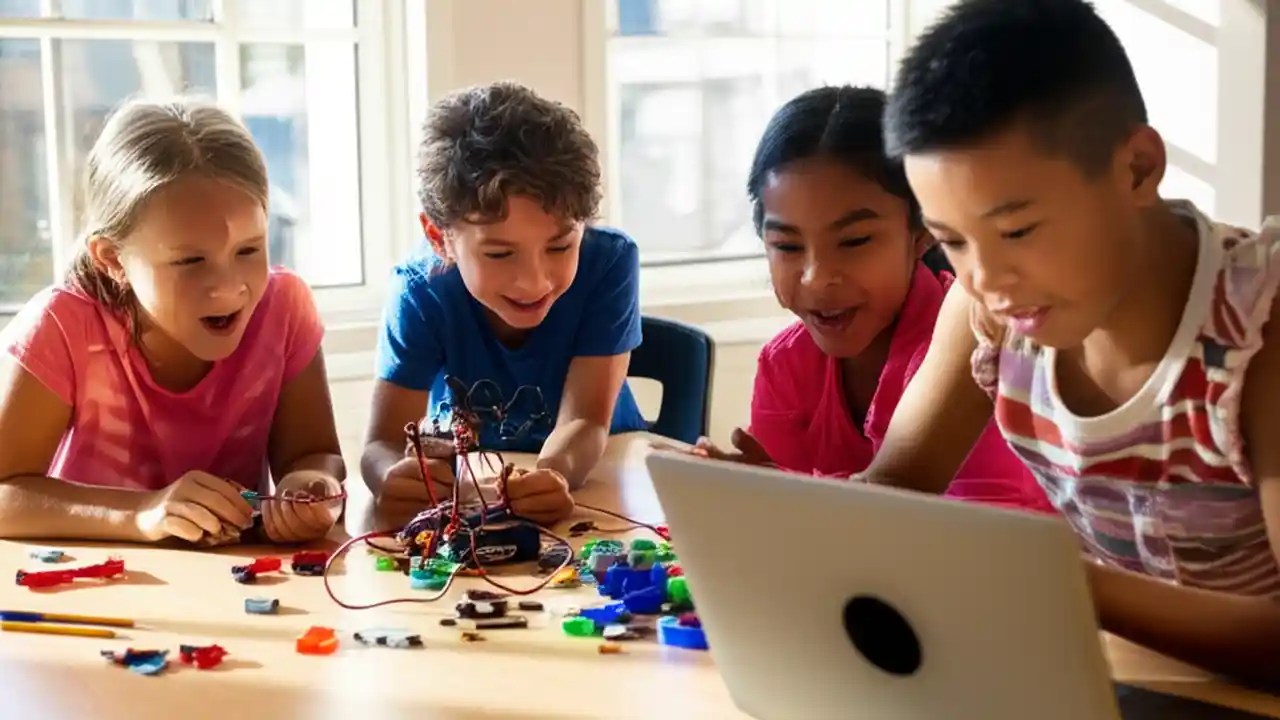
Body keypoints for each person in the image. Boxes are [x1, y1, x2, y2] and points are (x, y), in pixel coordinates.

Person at [862, 0, 1280, 685]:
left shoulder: (1258, 330)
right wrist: (777, 510)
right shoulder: (989, 313)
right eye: (952, 241)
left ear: (1138, 169)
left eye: (1019, 231)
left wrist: (1056, 580)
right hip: (1117, 687)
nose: (987, 278)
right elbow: (891, 494)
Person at [0, 97, 344, 545]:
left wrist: (314, 485)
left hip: (232, 592)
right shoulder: (63, 327)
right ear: (112, 259)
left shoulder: (284, 309)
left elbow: (315, 454)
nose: (227, 286)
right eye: (189, 261)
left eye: (249, 250)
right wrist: (143, 514)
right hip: (94, 592)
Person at [691, 86, 1050, 511]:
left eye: (855, 241)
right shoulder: (785, 363)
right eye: (787, 246)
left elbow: (973, 529)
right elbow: (780, 518)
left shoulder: (979, 345)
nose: (817, 278)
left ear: (922, 232)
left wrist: (794, 502)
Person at [362, 82, 646, 526]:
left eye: (560, 247)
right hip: (471, 506)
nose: (534, 281)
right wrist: (391, 476)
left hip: (600, 486)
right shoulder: (420, 291)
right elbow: (381, 444)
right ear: (441, 238)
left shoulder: (609, 262)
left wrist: (554, 473)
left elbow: (587, 420)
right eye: (498, 254)